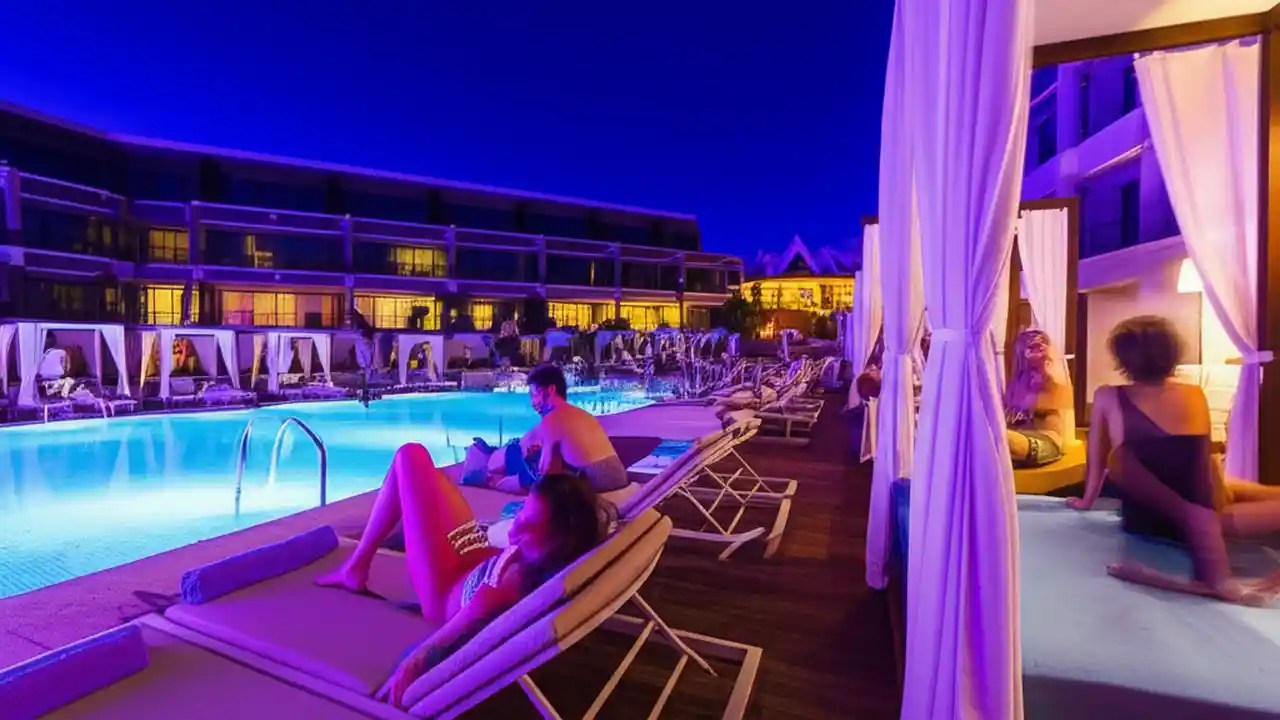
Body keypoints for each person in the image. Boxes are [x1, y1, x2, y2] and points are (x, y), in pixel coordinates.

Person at [317, 444, 607, 707]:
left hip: (444, 587)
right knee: (432, 477)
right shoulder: (557, 551)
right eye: (521, 515)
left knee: (410, 457)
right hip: (474, 554)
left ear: (557, 540)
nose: (514, 529)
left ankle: (356, 568)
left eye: (528, 525)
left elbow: (446, 638)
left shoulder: (511, 584)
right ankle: (355, 568)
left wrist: (409, 668)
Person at [1069, 315, 1280, 604]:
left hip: (1155, 517)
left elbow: (1097, 459)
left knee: (1230, 488)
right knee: (1220, 489)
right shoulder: (1193, 393)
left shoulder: (1107, 396)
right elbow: (1201, 466)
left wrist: (1086, 501)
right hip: (1194, 513)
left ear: (1123, 358)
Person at [1004, 329, 1072, 468]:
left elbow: (1050, 401)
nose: (1038, 348)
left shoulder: (1054, 381)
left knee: (1000, 436)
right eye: (1031, 345)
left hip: (1046, 441)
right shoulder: (1015, 384)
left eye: (1041, 344)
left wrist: (1042, 368)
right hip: (1019, 437)